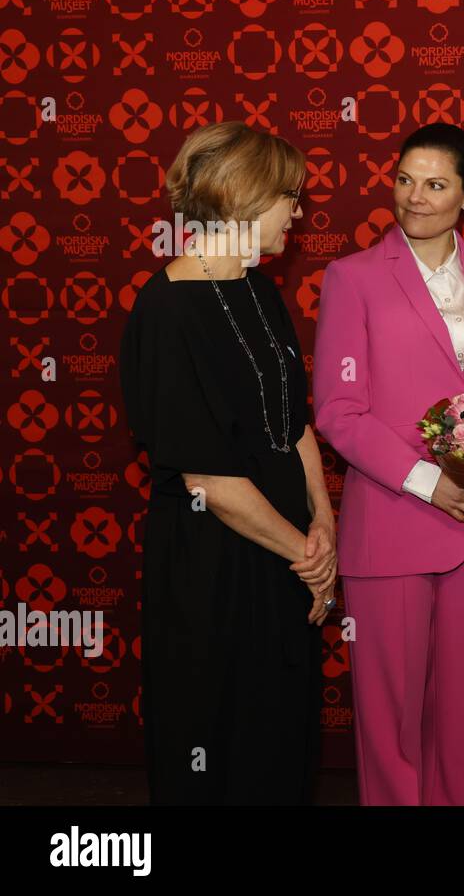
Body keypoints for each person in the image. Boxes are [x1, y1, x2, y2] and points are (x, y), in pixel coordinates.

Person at [313, 122, 464, 806]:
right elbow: (337, 410)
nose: (415, 197)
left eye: (436, 184)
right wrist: (433, 484)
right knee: (392, 719)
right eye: (405, 179)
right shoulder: (352, 277)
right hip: (392, 519)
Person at [119, 121, 335, 804]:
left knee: (280, 735)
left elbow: (291, 416)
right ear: (245, 196)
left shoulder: (258, 287)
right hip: (214, 563)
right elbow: (206, 479)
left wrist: (323, 522)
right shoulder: (166, 308)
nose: (297, 214)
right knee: (220, 736)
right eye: (289, 197)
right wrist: (305, 551)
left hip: (283, 549)